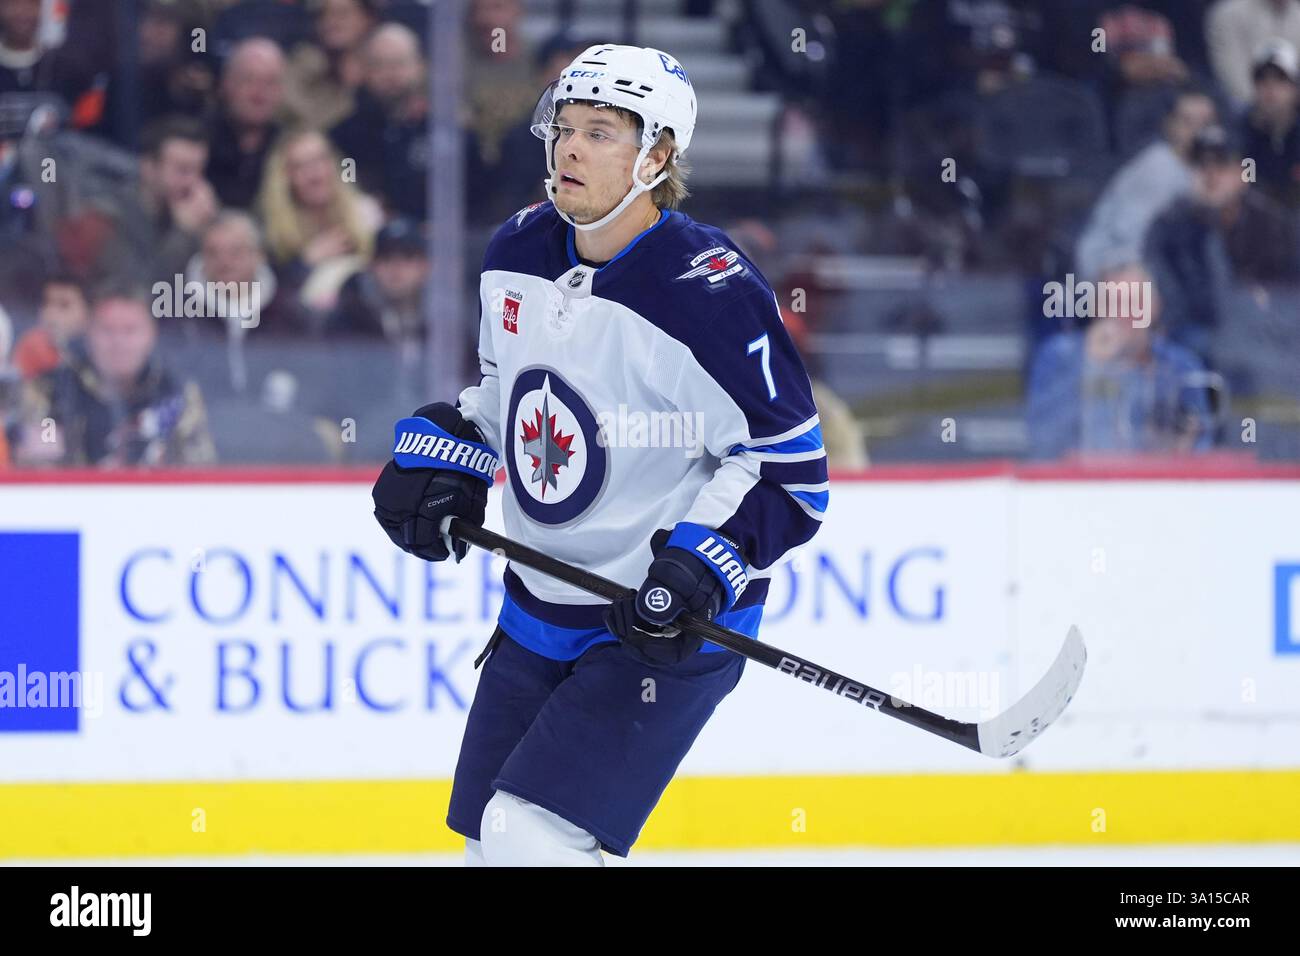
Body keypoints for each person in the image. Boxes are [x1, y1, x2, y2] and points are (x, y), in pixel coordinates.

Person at [369, 45, 828, 866]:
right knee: (487, 845)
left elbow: (790, 471)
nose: (570, 148)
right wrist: (450, 454)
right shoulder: (515, 250)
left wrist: (696, 567)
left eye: (602, 133)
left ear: (655, 157)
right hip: (540, 602)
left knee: (527, 837)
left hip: (666, 622)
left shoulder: (707, 291)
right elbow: (505, 396)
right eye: (565, 127)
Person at [15, 282, 216, 467]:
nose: (118, 342)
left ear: (151, 334)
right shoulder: (51, 392)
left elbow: (197, 473)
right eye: (107, 330)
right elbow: (40, 469)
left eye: (130, 331)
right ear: (89, 334)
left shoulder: (177, 393)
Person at [1027, 262, 1216, 458]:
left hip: (1154, 483)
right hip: (1079, 483)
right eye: (1114, 303)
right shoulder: (1060, 356)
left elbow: (1200, 444)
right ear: (1096, 309)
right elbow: (1043, 440)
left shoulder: (1181, 366)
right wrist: (1092, 365)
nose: (1124, 315)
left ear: (1155, 307)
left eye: (1135, 303)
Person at [1075, 88, 1217, 280]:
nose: (1197, 132)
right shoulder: (1157, 168)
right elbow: (1126, 237)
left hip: (1161, 263)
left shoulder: (1207, 168)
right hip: (1110, 264)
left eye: (1205, 123)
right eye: (1188, 122)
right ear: (1170, 125)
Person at [256, 127, 380, 315]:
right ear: (284, 178)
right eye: (301, 166)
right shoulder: (269, 231)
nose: (315, 175)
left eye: (321, 160)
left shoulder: (366, 213)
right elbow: (265, 298)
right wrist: (305, 263)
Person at [206, 37, 287, 209]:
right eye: (249, 80)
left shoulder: (290, 148)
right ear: (225, 84)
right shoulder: (198, 142)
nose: (260, 94)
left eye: (270, 82)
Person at [1240, 39, 1300, 207]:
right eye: (1262, 79)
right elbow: (1246, 182)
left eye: (1280, 79)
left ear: (1295, 88)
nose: (1270, 87)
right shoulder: (1241, 133)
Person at [11, 273, 88, 380]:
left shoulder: (99, 352)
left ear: (88, 313)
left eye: (64, 305)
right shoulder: (32, 346)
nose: (51, 314)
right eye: (46, 303)